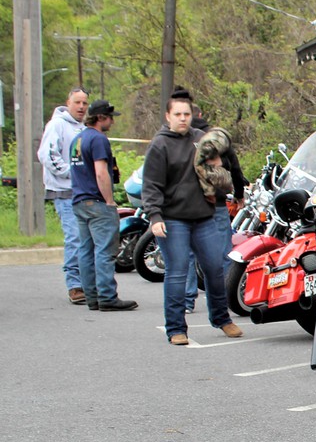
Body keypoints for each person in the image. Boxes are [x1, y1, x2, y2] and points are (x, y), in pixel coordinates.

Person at [142, 94, 242, 345]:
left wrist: (219, 166)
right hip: (173, 219)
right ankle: (176, 328)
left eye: (186, 114)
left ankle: (222, 319)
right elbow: (151, 185)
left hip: (204, 217)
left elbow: (225, 168)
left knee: (215, 269)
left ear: (192, 115)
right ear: (168, 117)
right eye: (177, 114)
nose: (183, 118)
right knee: (176, 272)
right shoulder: (160, 145)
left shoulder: (201, 139)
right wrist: (155, 216)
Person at [172, 90, 244, 313]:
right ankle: (225, 299)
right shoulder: (216, 138)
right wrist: (240, 194)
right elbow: (234, 170)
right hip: (217, 204)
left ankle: (186, 300)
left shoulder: (180, 140)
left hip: (188, 206)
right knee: (224, 253)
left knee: (188, 253)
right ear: (201, 114)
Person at [69, 100, 137, 312]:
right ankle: (107, 296)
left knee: (86, 250)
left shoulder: (78, 138)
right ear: (100, 118)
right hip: (97, 202)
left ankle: (92, 296)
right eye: (110, 117)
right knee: (105, 251)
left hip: (80, 201)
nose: (112, 122)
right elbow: (100, 172)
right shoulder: (98, 139)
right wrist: (109, 201)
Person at [38, 88, 90, 305]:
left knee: (85, 238)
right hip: (63, 191)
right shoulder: (57, 124)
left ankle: (86, 283)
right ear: (68, 102)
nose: (81, 107)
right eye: (77, 102)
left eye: (85, 103)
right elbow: (47, 154)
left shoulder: (84, 128)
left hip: (81, 192)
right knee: (74, 237)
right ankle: (74, 285)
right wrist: (72, 172)